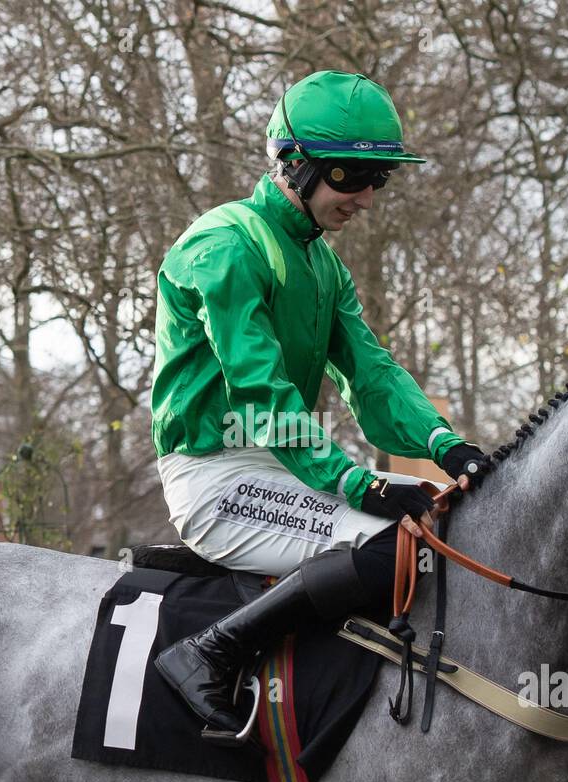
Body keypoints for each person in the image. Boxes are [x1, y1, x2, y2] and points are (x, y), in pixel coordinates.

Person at [149, 70, 489, 743]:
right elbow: (260, 394)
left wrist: (445, 444)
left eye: (377, 181)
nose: (365, 197)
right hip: (216, 476)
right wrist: (353, 482)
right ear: (294, 165)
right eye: (349, 177)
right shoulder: (225, 245)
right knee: (393, 544)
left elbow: (373, 373)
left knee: (445, 514)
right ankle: (209, 652)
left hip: (281, 467)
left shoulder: (323, 266)